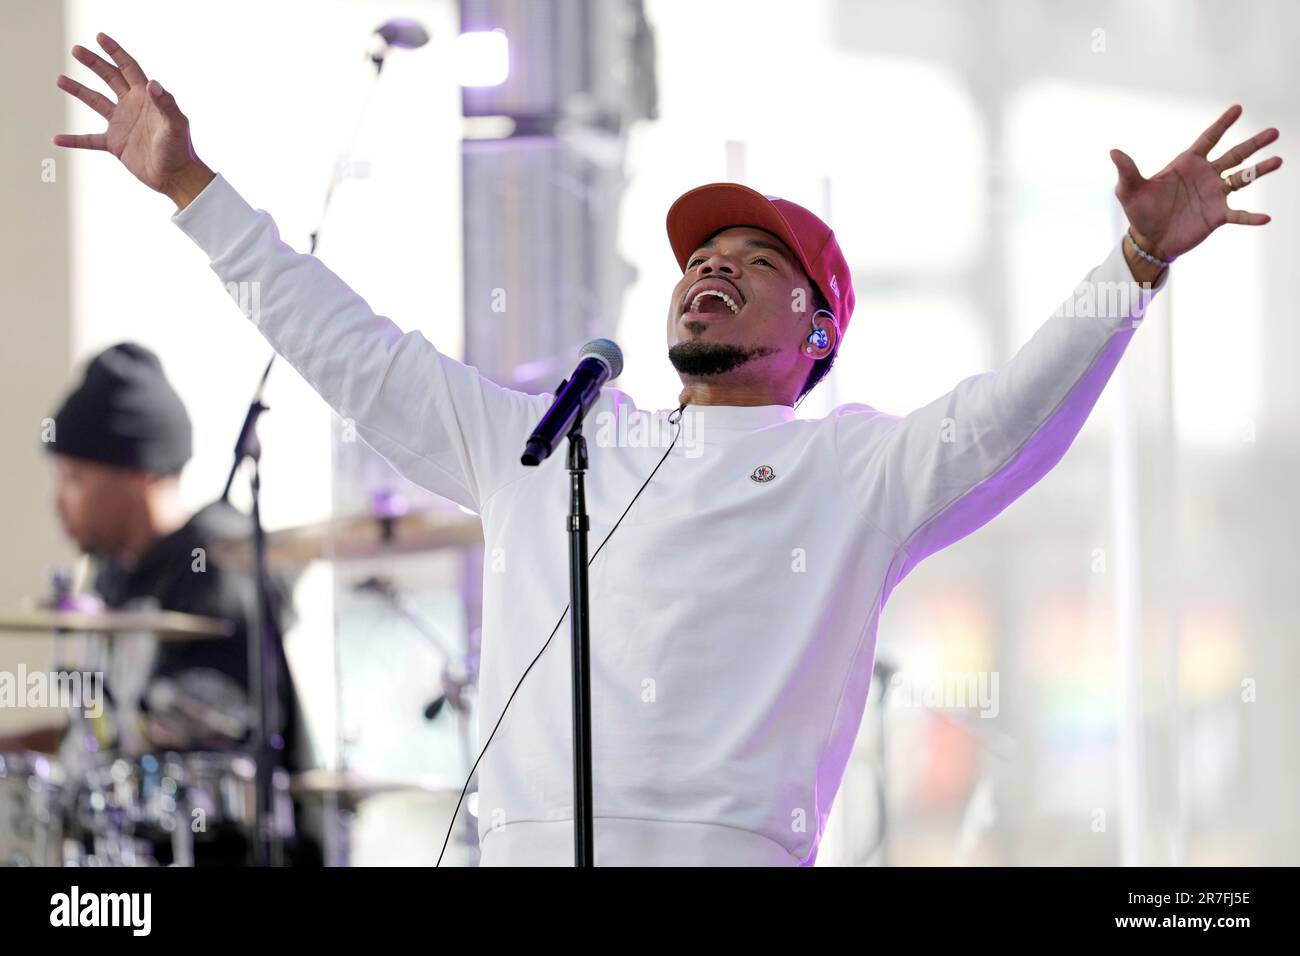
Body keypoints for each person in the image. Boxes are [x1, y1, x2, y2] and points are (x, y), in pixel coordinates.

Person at [53, 33, 1281, 866]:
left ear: (817, 334)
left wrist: (1135, 262)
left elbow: (1017, 413)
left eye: (754, 268)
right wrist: (192, 187)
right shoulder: (553, 439)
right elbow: (355, 351)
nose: (710, 273)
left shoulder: (851, 471)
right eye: (701, 259)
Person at [3, 341, 318, 865]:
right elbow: (103, 734)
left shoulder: (217, 564)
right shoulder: (113, 576)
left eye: (75, 480)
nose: (57, 501)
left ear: (139, 474)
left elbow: (208, 730)